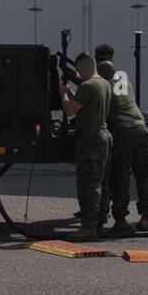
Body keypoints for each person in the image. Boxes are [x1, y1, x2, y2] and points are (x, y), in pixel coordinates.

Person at [96, 59, 148, 234]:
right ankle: (146, 217)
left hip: (122, 131)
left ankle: (120, 219)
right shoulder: (125, 82)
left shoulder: (103, 86)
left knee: (120, 176)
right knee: (144, 175)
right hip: (142, 129)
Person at [58, 51, 112, 241]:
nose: (78, 73)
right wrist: (73, 94)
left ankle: (88, 227)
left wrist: (64, 94)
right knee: (100, 182)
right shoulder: (104, 84)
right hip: (103, 135)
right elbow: (84, 104)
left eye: (79, 69)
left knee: (87, 185)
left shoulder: (88, 86)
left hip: (90, 138)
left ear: (88, 66)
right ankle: (99, 222)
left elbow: (70, 109)